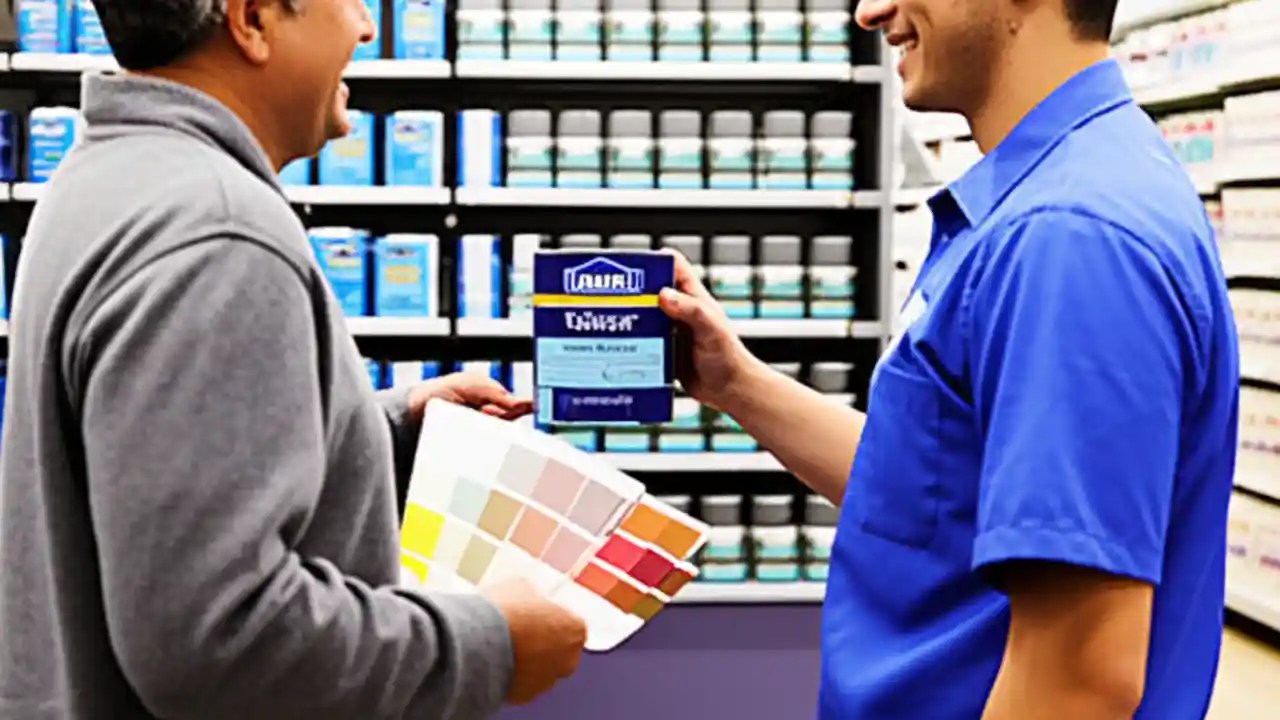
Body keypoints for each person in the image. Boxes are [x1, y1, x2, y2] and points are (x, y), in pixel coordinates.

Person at [0, 1, 586, 718]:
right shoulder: (218, 234)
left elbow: (143, 460)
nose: (367, 29)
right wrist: (491, 642)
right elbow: (221, 641)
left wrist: (377, 429)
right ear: (251, 19)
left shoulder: (111, 176)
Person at [659, 0, 1239, 718]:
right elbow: (938, 492)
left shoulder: (1069, 239)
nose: (871, 11)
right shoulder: (1062, 190)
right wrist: (736, 384)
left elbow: (1076, 682)